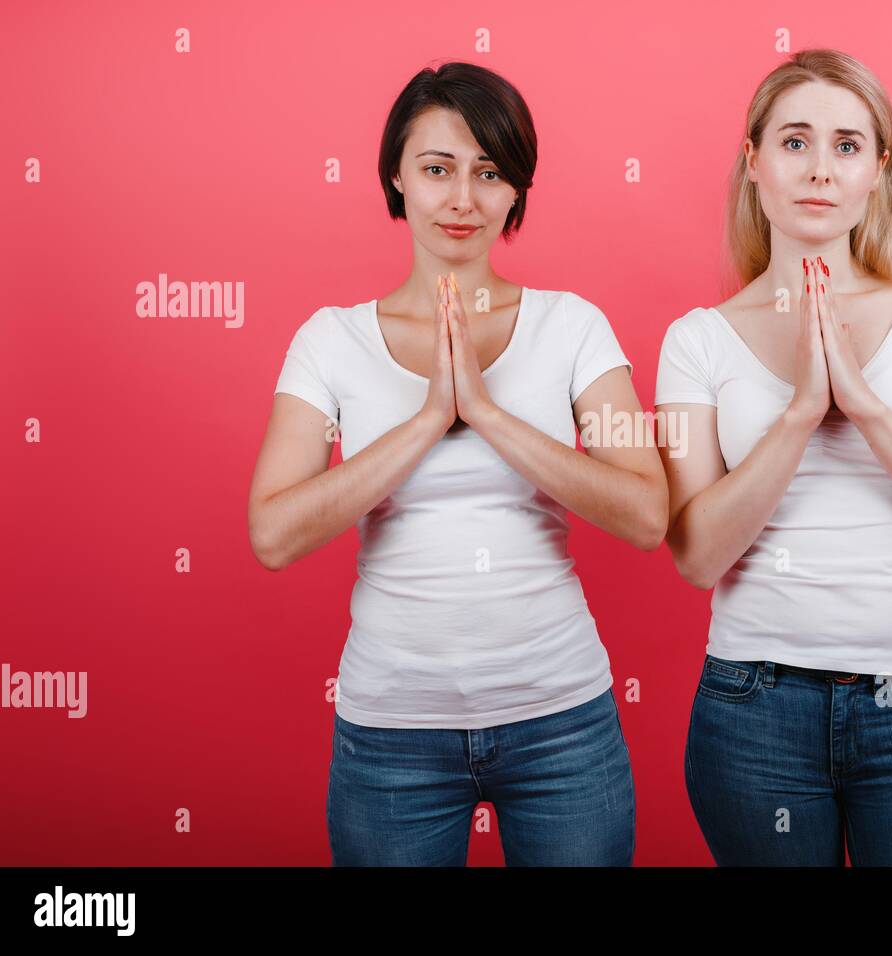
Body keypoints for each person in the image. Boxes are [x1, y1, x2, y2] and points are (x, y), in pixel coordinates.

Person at [248, 61, 666, 866]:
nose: (463, 199)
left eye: (489, 173)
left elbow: (647, 514)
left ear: (517, 191)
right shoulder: (330, 340)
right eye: (437, 169)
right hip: (391, 735)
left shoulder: (572, 328)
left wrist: (488, 414)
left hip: (561, 724)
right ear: (397, 178)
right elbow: (274, 533)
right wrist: (431, 419)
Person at [654, 49, 892, 866]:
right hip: (755, 706)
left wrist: (866, 406)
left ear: (879, 171)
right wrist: (800, 415)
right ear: (753, 162)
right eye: (795, 142)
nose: (820, 170)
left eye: (848, 146)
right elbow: (698, 553)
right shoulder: (696, 340)